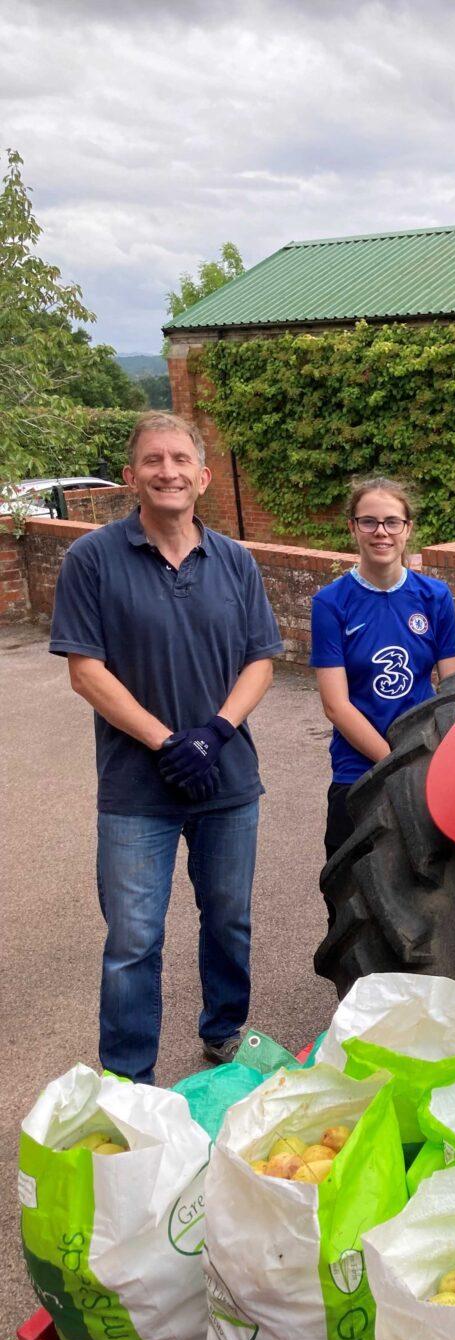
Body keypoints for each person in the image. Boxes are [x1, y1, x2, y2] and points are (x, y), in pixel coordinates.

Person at [49, 411, 283, 1084]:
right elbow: (85, 669)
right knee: (133, 940)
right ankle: (128, 1076)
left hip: (228, 780)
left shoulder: (235, 561)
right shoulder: (91, 558)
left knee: (229, 919)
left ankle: (223, 1032)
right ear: (131, 476)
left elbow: (260, 661)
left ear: (203, 476)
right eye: (153, 460)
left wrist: (214, 734)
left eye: (180, 459)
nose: (167, 471)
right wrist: (166, 741)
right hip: (135, 789)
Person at [310, 477, 455, 862]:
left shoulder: (435, 597)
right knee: (350, 893)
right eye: (369, 522)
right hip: (357, 773)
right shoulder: (330, 603)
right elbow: (336, 705)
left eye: (392, 522)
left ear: (407, 529)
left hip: (426, 767)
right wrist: (394, 762)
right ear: (353, 527)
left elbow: (454, 690)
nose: (381, 532)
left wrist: (427, 763)